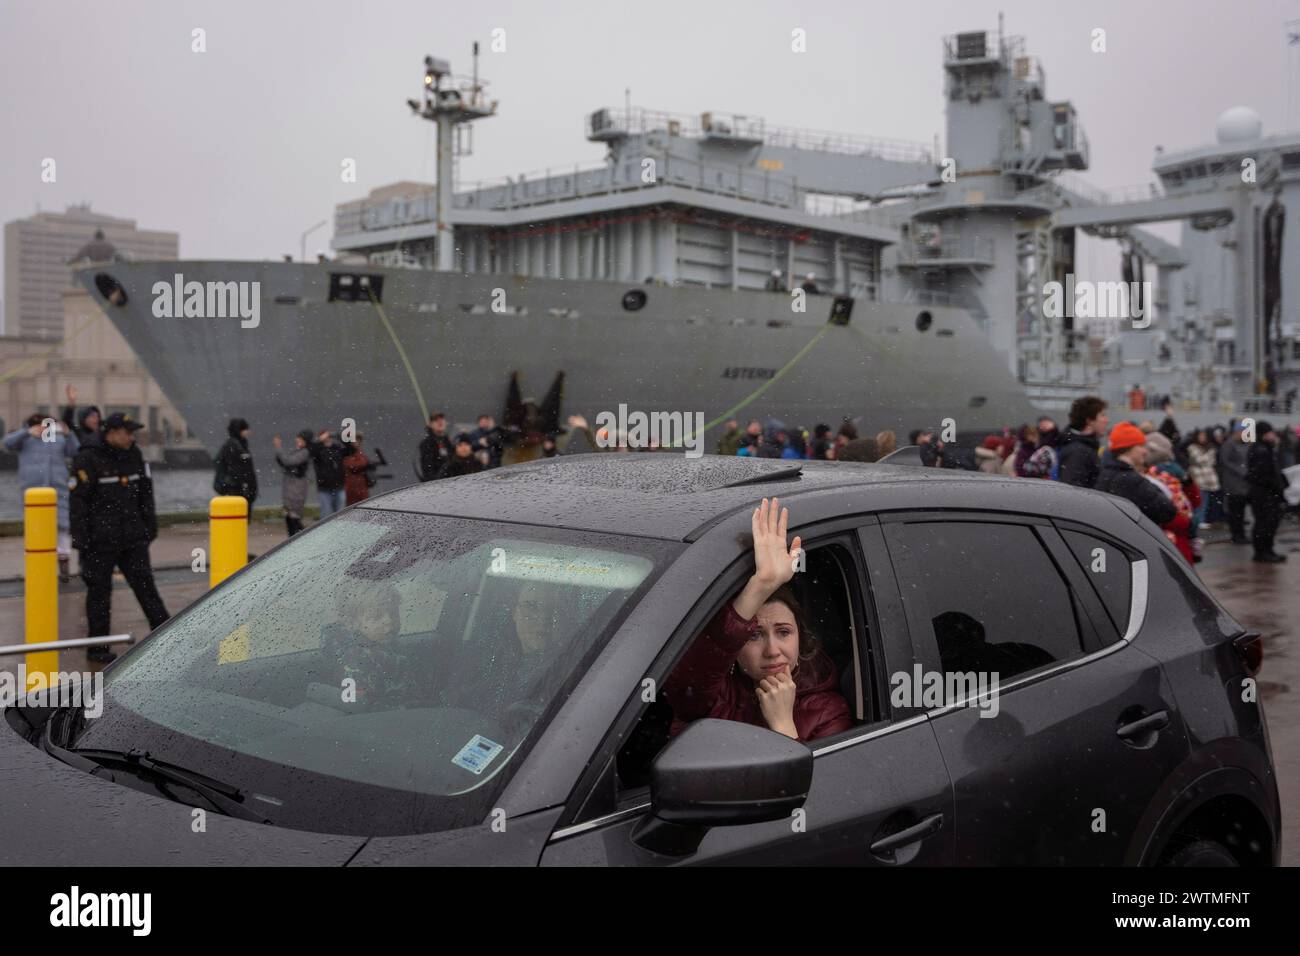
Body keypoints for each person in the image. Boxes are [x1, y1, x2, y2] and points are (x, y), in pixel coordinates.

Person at [661, 497, 852, 742]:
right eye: (754, 635)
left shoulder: (828, 712)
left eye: (783, 632)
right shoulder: (715, 695)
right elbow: (687, 683)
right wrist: (762, 583)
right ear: (735, 648)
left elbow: (811, 781)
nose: (772, 651)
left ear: (801, 639)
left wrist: (783, 725)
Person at [69, 413, 170, 662]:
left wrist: (149, 529)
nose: (131, 437)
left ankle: (168, 637)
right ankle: (98, 647)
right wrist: (82, 540)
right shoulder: (87, 458)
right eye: (127, 432)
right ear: (111, 432)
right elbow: (78, 503)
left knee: (146, 588)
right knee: (99, 595)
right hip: (99, 542)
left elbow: (146, 494)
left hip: (132, 538)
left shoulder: (134, 455)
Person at [4, 412, 80, 581]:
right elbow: (7, 444)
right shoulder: (25, 439)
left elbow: (75, 451)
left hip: (58, 491)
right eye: (37, 424)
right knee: (36, 530)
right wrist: (26, 432)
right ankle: (38, 565)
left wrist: (69, 434)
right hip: (32, 494)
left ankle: (64, 567)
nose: (42, 428)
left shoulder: (58, 439)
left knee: (62, 529)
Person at [324, 584, 412, 709]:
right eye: (376, 617)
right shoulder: (354, 662)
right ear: (352, 623)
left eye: (393, 613)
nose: (389, 620)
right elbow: (355, 707)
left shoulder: (386, 645)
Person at [1095, 422, 1177, 527]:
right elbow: (1168, 511)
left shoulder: (1104, 474)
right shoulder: (1131, 480)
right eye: (1141, 446)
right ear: (1129, 449)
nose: (1145, 451)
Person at [1146, 433, 1197, 564]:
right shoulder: (1174, 474)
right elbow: (1195, 502)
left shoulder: (1144, 478)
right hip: (1175, 542)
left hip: (1168, 542)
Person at [1247, 421, 1288, 563]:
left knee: (1268, 523)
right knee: (1265, 523)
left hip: (1266, 493)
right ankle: (1262, 552)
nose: (1273, 435)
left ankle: (1267, 550)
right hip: (1264, 494)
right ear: (1263, 434)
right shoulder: (1261, 450)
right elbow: (1263, 475)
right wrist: (1276, 486)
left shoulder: (1265, 449)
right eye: (1270, 433)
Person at [1057, 396, 1109, 488]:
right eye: (1102, 415)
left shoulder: (1083, 447)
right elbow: (1072, 490)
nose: (1107, 420)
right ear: (1089, 421)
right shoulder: (1079, 452)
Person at [273, 430, 312, 536]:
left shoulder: (305, 452)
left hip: (296, 487)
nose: (297, 440)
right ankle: (293, 538)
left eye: (300, 438)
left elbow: (289, 461)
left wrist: (279, 448)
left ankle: (301, 538)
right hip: (290, 486)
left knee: (293, 516)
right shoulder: (298, 450)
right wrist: (279, 453)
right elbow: (285, 462)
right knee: (289, 515)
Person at [213, 417, 257, 509]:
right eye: (245, 429)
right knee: (240, 514)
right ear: (239, 430)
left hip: (241, 487)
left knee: (241, 515)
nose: (248, 432)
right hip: (238, 488)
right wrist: (240, 483)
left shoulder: (239, 444)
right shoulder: (234, 446)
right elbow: (239, 468)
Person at [1220, 422, 1252, 545]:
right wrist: (1242, 471)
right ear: (1237, 432)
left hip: (1243, 484)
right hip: (1233, 483)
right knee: (1235, 512)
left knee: (1241, 511)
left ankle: (1241, 534)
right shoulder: (1228, 445)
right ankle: (1236, 535)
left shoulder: (1246, 445)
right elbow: (1226, 461)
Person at [1186, 429, 1220, 529]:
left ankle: (1202, 519)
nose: (1202, 438)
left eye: (1204, 436)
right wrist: (1209, 455)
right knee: (1199, 500)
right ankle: (1198, 520)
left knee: (1206, 500)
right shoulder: (1192, 447)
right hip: (1198, 476)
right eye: (1200, 436)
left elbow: (1211, 461)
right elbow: (1200, 460)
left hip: (1208, 477)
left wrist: (1207, 457)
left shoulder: (1210, 448)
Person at [310, 429, 347, 516]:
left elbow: (350, 449)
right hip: (324, 489)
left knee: (341, 515)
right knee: (325, 514)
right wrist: (319, 440)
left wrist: (339, 435)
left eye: (329, 436)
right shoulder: (318, 450)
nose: (327, 438)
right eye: (325, 437)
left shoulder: (337, 448)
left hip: (339, 487)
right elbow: (311, 450)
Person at [59, 384, 101, 450]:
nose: (96, 419)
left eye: (97, 416)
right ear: (84, 419)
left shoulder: (102, 433)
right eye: (92, 417)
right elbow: (67, 423)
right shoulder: (78, 433)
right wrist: (71, 402)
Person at [418, 412, 453, 481]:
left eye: (442, 419)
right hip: (436, 484)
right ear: (430, 425)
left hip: (450, 481)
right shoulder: (427, 443)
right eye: (436, 420)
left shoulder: (447, 441)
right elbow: (428, 469)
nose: (440, 422)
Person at [342, 433, 371, 506]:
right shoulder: (347, 453)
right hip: (350, 485)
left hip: (361, 485)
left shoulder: (361, 454)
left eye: (357, 441)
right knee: (350, 507)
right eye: (354, 441)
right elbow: (349, 465)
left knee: (363, 504)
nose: (355, 443)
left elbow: (364, 462)